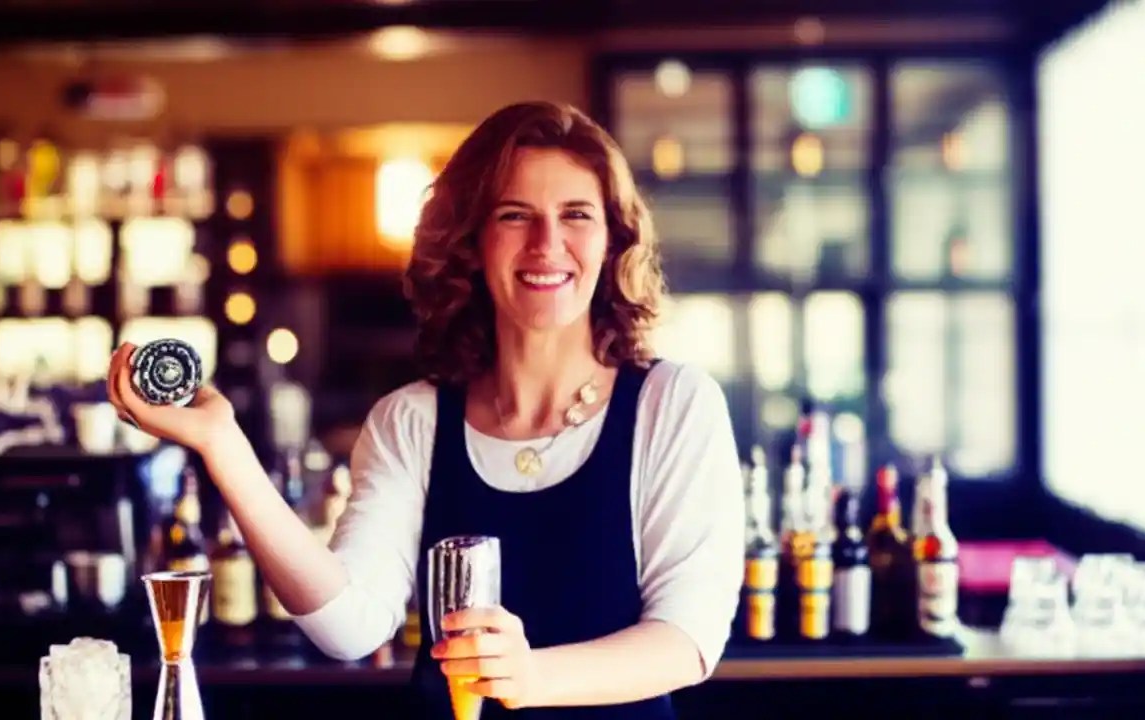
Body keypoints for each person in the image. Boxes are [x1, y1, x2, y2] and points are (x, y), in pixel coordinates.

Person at [106, 100, 743, 718]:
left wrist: (532, 676)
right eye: (515, 216)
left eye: (576, 214)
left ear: (612, 241)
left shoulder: (672, 405)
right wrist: (224, 447)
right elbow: (348, 626)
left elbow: (688, 639)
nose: (548, 243)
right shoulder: (410, 421)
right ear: (473, 241)